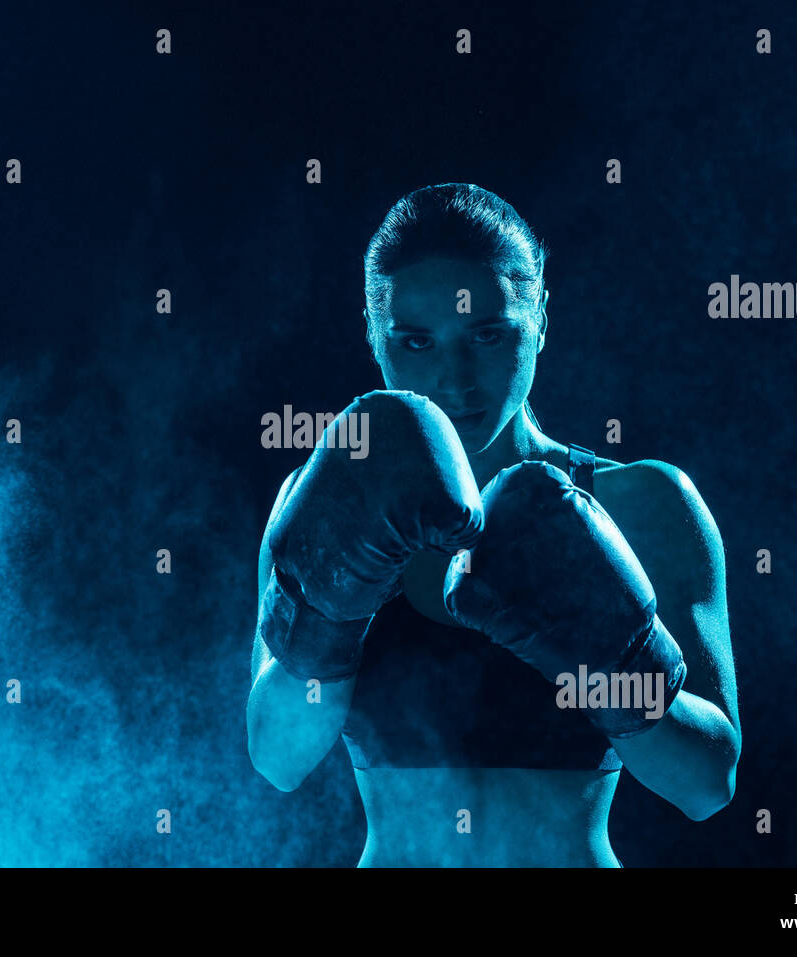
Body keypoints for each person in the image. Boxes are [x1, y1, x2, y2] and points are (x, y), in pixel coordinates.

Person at [247, 183, 741, 866]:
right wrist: (328, 620)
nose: (455, 379)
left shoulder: (643, 501)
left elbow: (710, 783)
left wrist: (614, 665)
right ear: (371, 330)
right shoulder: (325, 497)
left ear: (539, 315)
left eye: (488, 333)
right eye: (416, 341)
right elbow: (277, 757)